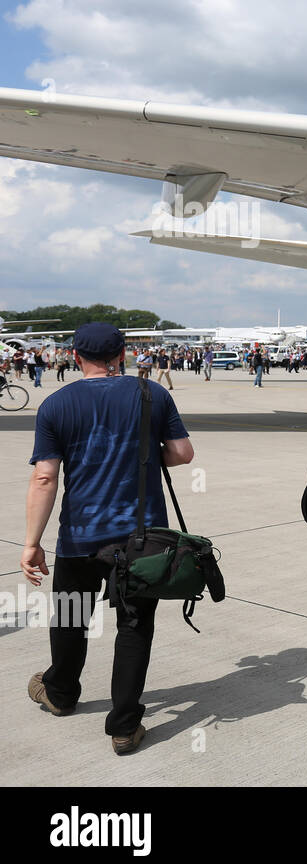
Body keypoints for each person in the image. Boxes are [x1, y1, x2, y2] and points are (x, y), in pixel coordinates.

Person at [22, 322, 193, 755]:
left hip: (80, 538)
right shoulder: (152, 394)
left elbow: (45, 477)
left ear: (75, 357)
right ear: (122, 355)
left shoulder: (56, 404)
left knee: (70, 617)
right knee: (134, 627)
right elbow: (182, 453)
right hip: (140, 541)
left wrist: (31, 542)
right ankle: (123, 726)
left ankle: (60, 692)